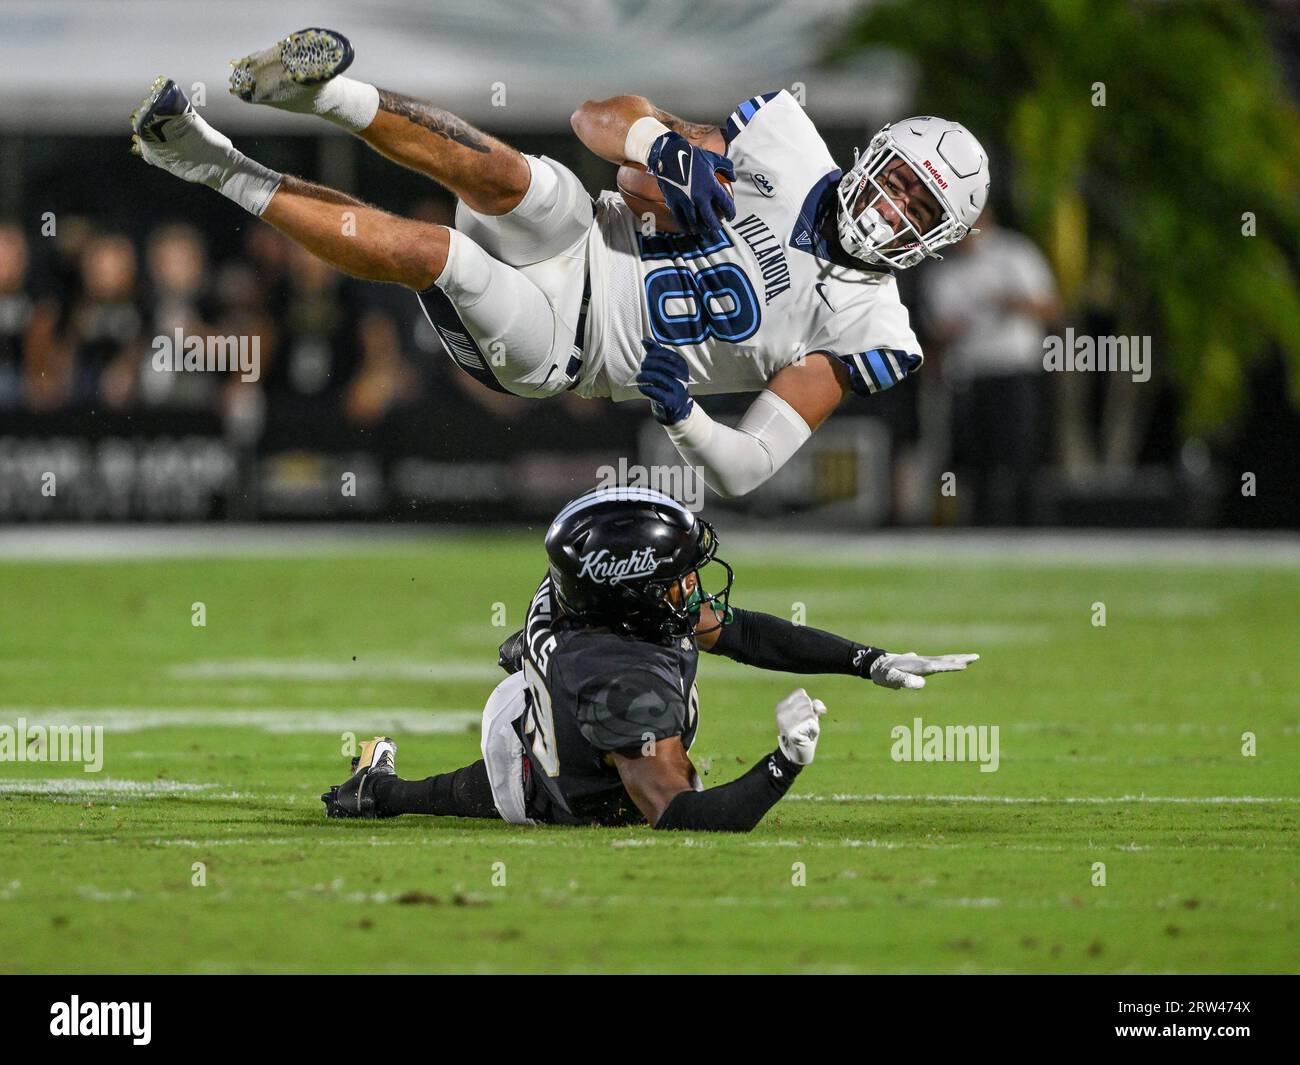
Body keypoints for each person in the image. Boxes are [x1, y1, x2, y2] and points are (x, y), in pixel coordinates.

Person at [130, 27, 989, 499]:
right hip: (587, 235)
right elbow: (594, 120)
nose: (893, 211)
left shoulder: (872, 325)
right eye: (903, 186)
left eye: (920, 211)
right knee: (504, 173)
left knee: (437, 251)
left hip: (560, 348)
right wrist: (662, 144)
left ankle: (209, 162)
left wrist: (682, 414)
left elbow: (746, 467)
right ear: (878, 155)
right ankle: (321, 91)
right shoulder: (787, 142)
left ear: (941, 239)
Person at [321, 486, 979, 831]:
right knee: (475, 794)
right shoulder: (624, 681)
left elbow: (744, 633)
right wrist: (785, 762)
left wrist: (868, 659)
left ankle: (374, 786)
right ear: (628, 590)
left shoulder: (584, 591)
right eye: (677, 577)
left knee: (464, 783)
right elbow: (684, 816)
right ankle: (376, 788)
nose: (694, 587)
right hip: (548, 780)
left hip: (532, 709)